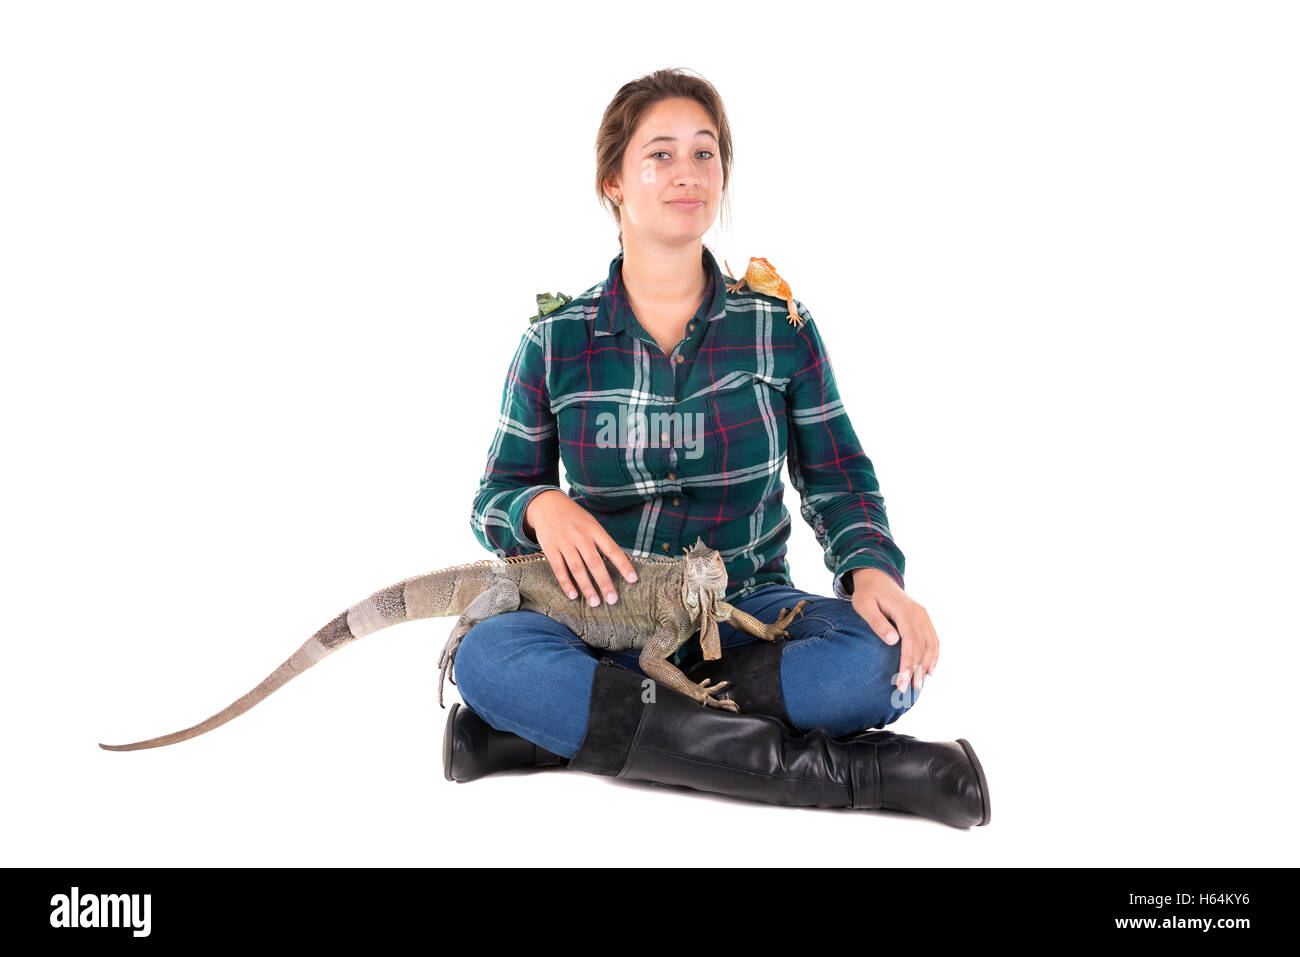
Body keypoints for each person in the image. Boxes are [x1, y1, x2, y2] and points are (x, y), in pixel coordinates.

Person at [446, 69, 989, 827]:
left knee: (880, 665)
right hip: (596, 618)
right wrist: (540, 505)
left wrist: (871, 571)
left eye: (705, 154)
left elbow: (837, 475)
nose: (688, 173)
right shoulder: (556, 340)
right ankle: (859, 772)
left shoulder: (779, 329)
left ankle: (558, 735)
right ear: (613, 181)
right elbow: (496, 493)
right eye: (660, 154)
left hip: (740, 618)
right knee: (486, 657)